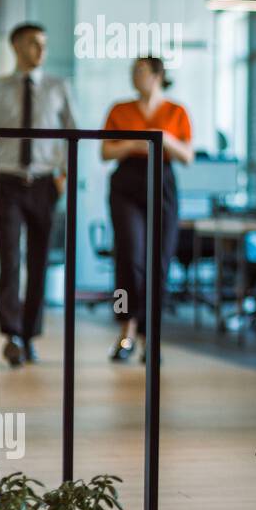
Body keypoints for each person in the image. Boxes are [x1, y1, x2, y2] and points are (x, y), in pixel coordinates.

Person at [0, 23, 76, 367]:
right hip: (7, 183)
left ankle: (28, 334)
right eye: (34, 44)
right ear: (16, 47)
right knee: (9, 259)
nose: (41, 51)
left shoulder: (58, 88)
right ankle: (11, 334)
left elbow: (75, 132)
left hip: (44, 183)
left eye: (44, 44)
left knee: (39, 262)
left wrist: (64, 175)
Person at [100, 57, 193, 363]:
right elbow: (105, 151)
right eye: (132, 71)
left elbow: (187, 156)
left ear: (157, 76)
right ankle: (126, 330)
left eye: (140, 71)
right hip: (127, 183)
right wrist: (133, 144)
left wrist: (163, 138)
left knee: (159, 263)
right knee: (129, 257)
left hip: (162, 182)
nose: (134, 76)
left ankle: (149, 338)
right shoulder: (119, 109)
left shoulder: (175, 111)